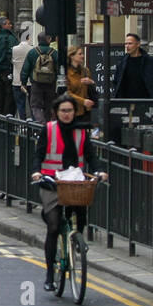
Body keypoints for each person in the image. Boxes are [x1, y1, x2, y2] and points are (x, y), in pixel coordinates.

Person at [31, 94, 107, 291]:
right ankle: (50, 275)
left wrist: (100, 171)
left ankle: (77, 240)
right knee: (54, 226)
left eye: (70, 111)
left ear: (75, 112)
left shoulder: (82, 132)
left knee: (81, 214)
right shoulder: (48, 129)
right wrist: (37, 172)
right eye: (63, 111)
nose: (67, 114)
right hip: (52, 182)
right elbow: (38, 154)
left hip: (75, 182)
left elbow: (91, 155)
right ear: (56, 112)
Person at [20, 32, 60, 123]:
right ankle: (47, 124)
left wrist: (23, 83)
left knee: (35, 105)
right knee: (49, 105)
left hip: (36, 83)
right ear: (48, 39)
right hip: (50, 84)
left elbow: (25, 69)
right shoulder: (54, 53)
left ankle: (41, 123)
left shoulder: (32, 52)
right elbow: (59, 69)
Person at [112, 33, 153, 101]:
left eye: (130, 44)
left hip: (147, 101)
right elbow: (116, 81)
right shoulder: (122, 62)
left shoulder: (150, 61)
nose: (127, 46)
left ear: (138, 44)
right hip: (126, 101)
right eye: (126, 44)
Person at [65, 44, 99, 125]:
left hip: (86, 111)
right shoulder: (67, 73)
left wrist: (92, 82)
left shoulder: (85, 71)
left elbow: (91, 89)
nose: (83, 56)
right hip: (72, 110)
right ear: (72, 56)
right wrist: (83, 101)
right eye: (80, 54)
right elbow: (67, 93)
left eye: (82, 54)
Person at [11, 26, 34, 119]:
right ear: (28, 37)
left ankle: (22, 121)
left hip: (17, 80)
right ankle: (33, 124)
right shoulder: (32, 49)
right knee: (32, 104)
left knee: (20, 104)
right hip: (30, 80)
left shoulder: (14, 49)